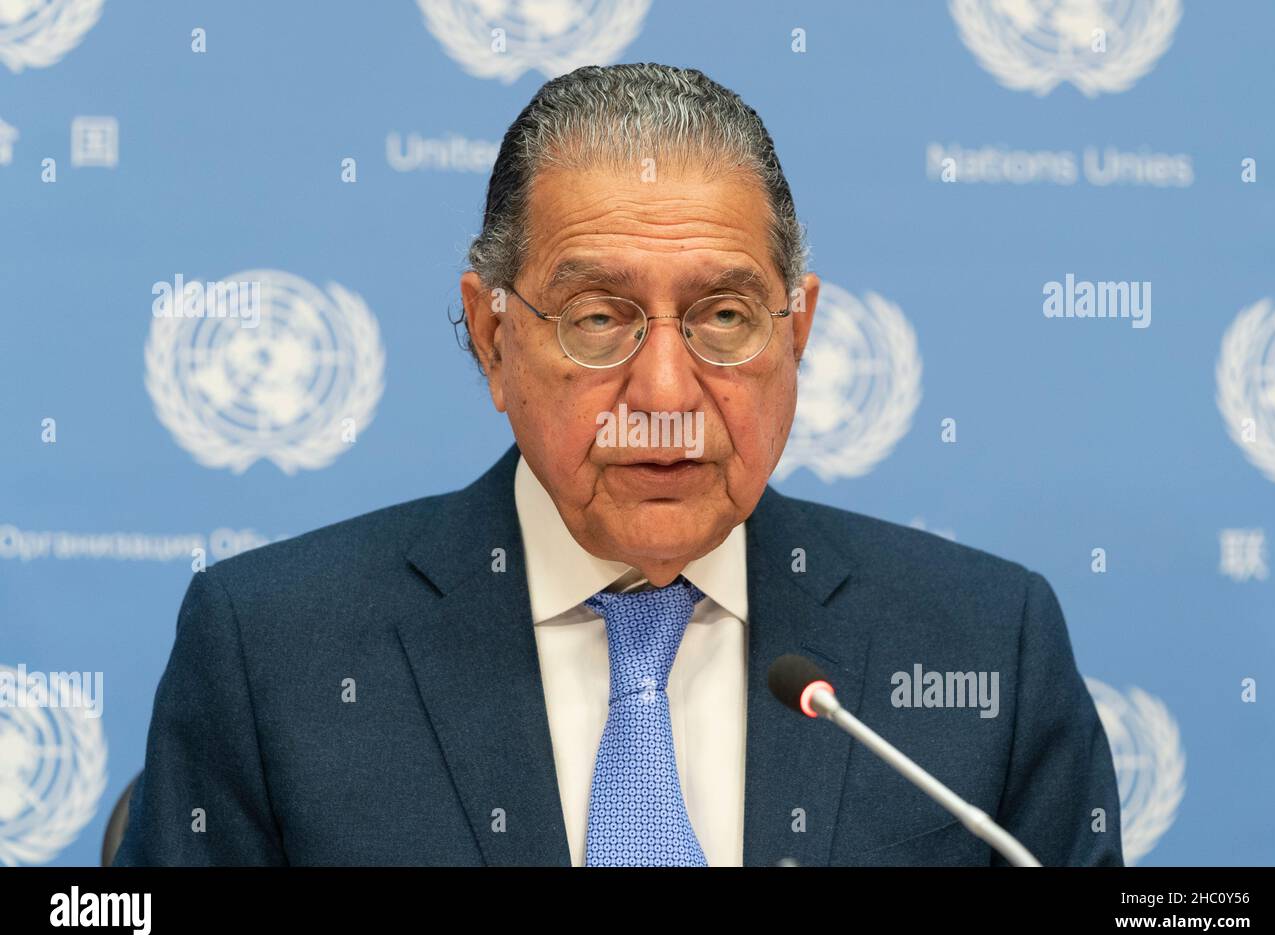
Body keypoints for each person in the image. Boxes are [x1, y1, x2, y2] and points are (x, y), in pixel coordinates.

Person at [114, 63, 1122, 867]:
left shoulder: (988, 642)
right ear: (491, 335)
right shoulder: (272, 653)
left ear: (798, 332)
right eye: (600, 318)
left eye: (725, 316)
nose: (667, 393)